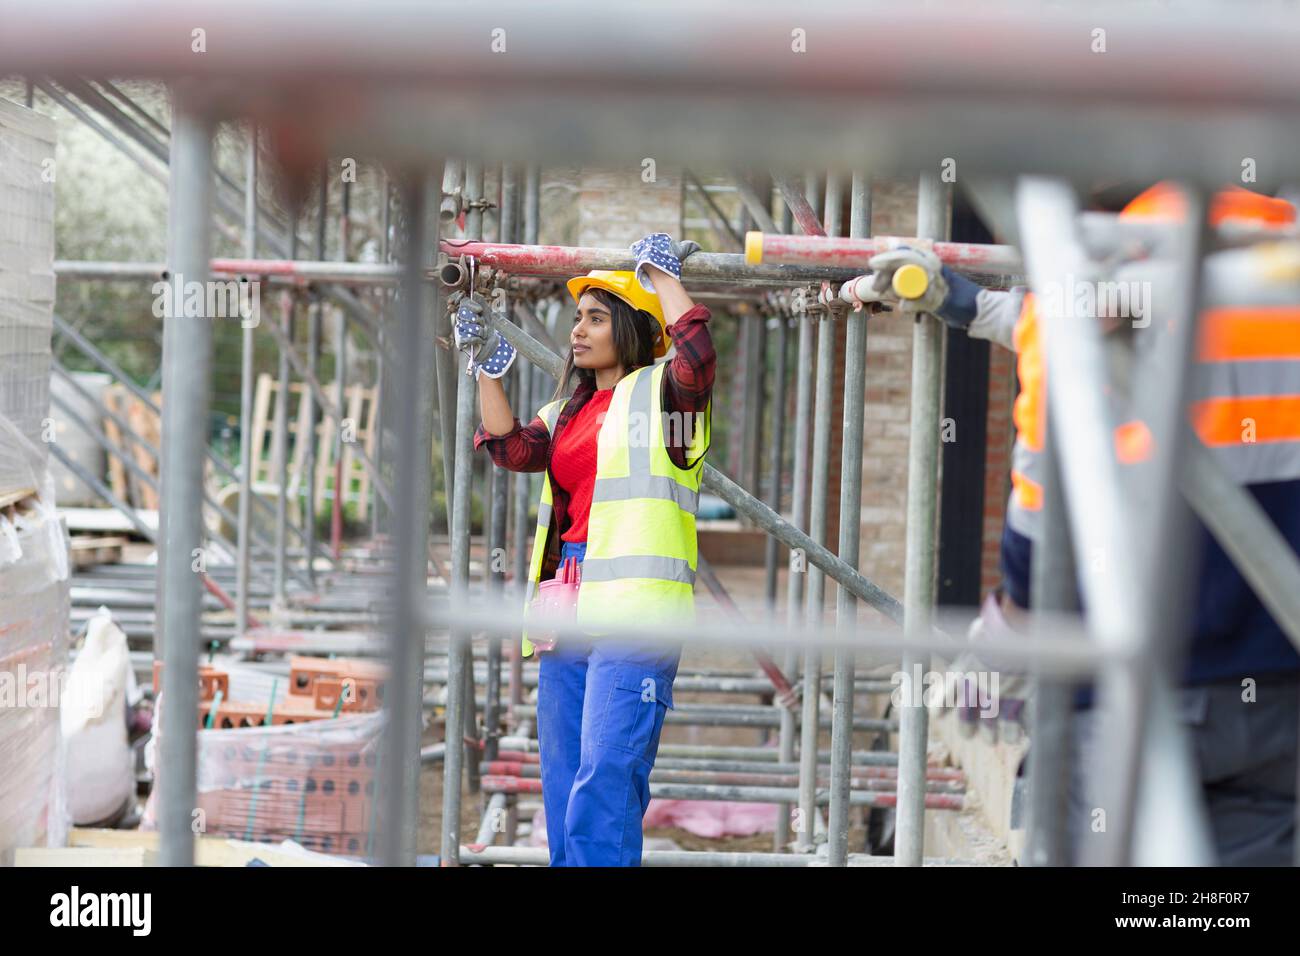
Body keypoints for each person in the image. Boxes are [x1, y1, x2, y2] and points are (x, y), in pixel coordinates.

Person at [865, 184, 1300, 864]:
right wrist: (968, 304)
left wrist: (997, 658)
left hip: (1132, 689)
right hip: (1281, 696)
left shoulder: (1095, 276)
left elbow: (1042, 545)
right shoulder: (1278, 259)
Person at [459, 232, 714, 866]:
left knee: (606, 768)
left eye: (595, 318)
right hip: (565, 600)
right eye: (578, 317)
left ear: (630, 328)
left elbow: (697, 360)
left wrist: (659, 275)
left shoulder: (667, 398)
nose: (578, 330)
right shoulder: (569, 409)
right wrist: (487, 369)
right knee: (564, 770)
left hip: (636, 607)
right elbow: (515, 450)